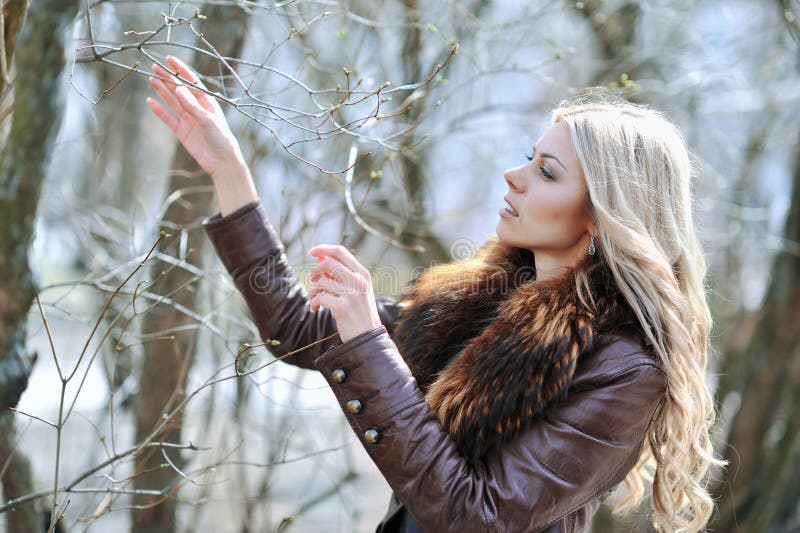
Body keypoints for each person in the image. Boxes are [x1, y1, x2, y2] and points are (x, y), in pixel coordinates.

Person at [146, 55, 726, 532]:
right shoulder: (477, 303)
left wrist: (369, 342)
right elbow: (296, 331)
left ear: (602, 218)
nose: (515, 176)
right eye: (530, 158)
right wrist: (230, 174)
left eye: (548, 172)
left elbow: (477, 514)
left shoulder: (624, 368)